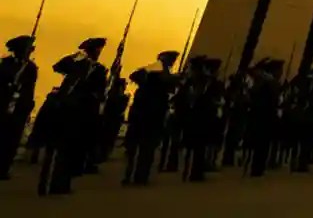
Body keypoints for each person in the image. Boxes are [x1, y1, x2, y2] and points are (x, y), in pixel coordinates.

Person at [39, 37, 108, 196]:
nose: (97, 53)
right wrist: (76, 58)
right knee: (58, 148)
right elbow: (57, 67)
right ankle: (49, 183)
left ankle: (63, 183)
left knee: (73, 150)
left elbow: (99, 91)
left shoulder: (98, 69)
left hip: (81, 112)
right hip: (66, 109)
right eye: (96, 50)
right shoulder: (76, 63)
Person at [122, 50, 179, 186]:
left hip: (142, 115)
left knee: (137, 149)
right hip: (151, 117)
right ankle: (139, 176)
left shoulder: (150, 73)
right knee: (145, 149)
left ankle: (131, 175)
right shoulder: (160, 75)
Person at [0, 35, 38, 180]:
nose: (31, 51)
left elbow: (30, 89)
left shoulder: (30, 67)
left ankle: (4, 168)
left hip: (19, 109)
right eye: (29, 48)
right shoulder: (5, 64)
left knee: (12, 139)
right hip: (3, 105)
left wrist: (27, 106)